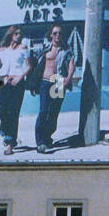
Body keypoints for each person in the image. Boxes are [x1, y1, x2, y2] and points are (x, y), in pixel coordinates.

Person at [29, 25, 76, 154]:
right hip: (45, 82)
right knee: (43, 111)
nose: (57, 36)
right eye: (55, 33)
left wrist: (69, 78)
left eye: (60, 33)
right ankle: (40, 142)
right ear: (51, 34)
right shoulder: (45, 49)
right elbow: (36, 65)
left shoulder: (67, 49)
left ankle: (47, 136)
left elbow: (72, 64)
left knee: (54, 112)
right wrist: (33, 82)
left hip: (59, 83)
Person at [0, 26, 32, 156]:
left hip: (18, 83)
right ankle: (5, 130)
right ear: (10, 35)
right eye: (16, 33)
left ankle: (10, 143)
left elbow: (29, 66)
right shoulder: (2, 50)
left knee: (13, 112)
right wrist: (2, 76)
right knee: (2, 110)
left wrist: (20, 77)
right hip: (5, 83)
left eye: (20, 34)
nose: (18, 36)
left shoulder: (23, 48)